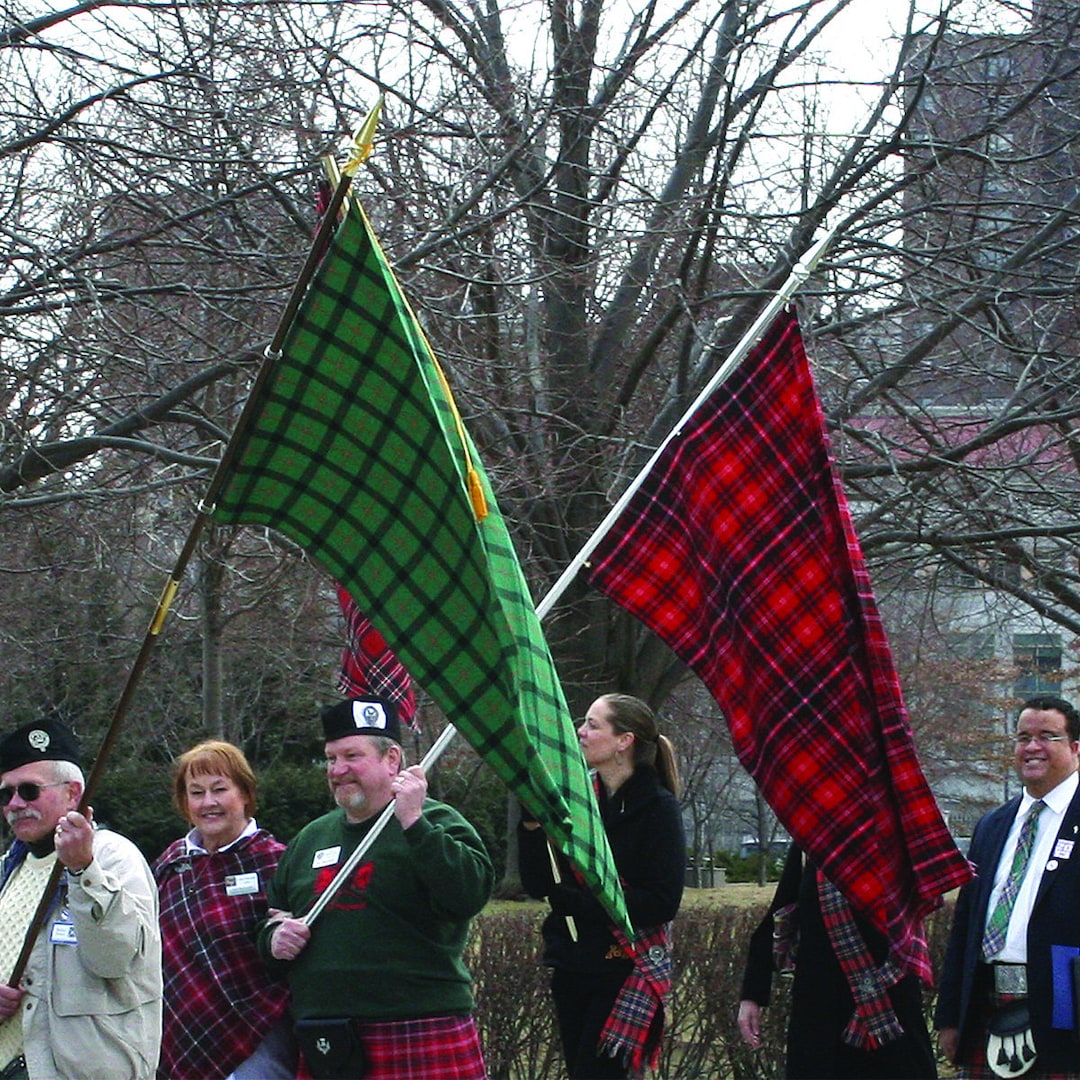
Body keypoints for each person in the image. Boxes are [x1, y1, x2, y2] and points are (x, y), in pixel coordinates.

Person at [257, 695, 494, 1080]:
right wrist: (273, 939)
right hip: (328, 1039)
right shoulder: (309, 839)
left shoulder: (436, 822)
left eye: (352, 756)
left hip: (418, 1027)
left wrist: (414, 823)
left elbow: (468, 895)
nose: (338, 770)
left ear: (392, 759)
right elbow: (270, 920)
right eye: (331, 759)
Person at [518, 692, 686, 1079]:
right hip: (573, 964)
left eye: (593, 725)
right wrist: (530, 826)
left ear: (624, 741)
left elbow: (661, 901)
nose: (580, 732)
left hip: (625, 967)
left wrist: (580, 903)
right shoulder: (578, 802)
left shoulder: (657, 808)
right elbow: (540, 883)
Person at [0, 717, 161, 1080]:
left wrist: (82, 869)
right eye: (4, 794)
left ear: (73, 793)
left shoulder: (115, 857)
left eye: (28, 790)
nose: (14, 804)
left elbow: (114, 959)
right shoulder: (7, 871)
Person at [935, 694, 1080, 1078]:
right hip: (988, 1004)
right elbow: (965, 926)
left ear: (1076, 748)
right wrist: (950, 1016)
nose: (1032, 747)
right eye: (1023, 737)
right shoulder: (992, 824)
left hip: (1066, 1012)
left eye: (1048, 736)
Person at [153, 740, 296, 1080]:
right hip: (177, 1036)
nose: (208, 803)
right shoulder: (170, 864)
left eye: (220, 789)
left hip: (260, 1037)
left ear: (244, 794)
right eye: (196, 792)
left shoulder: (277, 861)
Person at [737, 843, 937, 1079]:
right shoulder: (812, 833)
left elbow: (914, 919)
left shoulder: (898, 826)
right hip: (818, 1020)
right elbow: (784, 908)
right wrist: (753, 993)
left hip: (889, 1010)